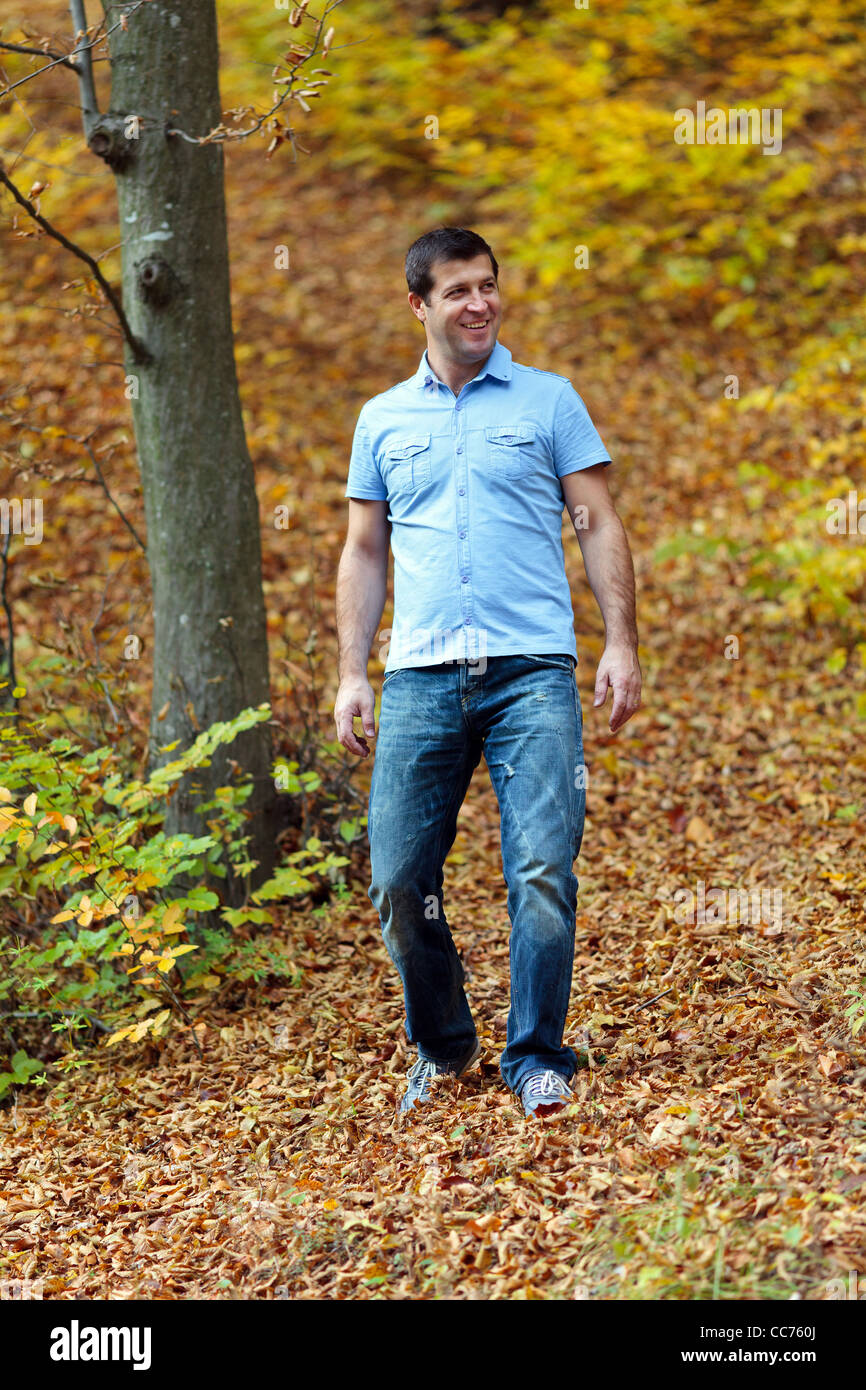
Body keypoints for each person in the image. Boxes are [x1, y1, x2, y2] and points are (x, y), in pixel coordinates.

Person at [334, 227, 641, 1118]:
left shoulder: (549, 403)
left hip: (532, 673)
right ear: (418, 305)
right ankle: (445, 1044)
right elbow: (362, 549)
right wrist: (352, 672)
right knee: (397, 879)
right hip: (422, 677)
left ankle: (538, 1054)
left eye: (489, 286)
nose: (480, 303)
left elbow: (600, 521)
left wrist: (620, 641)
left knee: (542, 867)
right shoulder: (383, 419)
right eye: (458, 290)